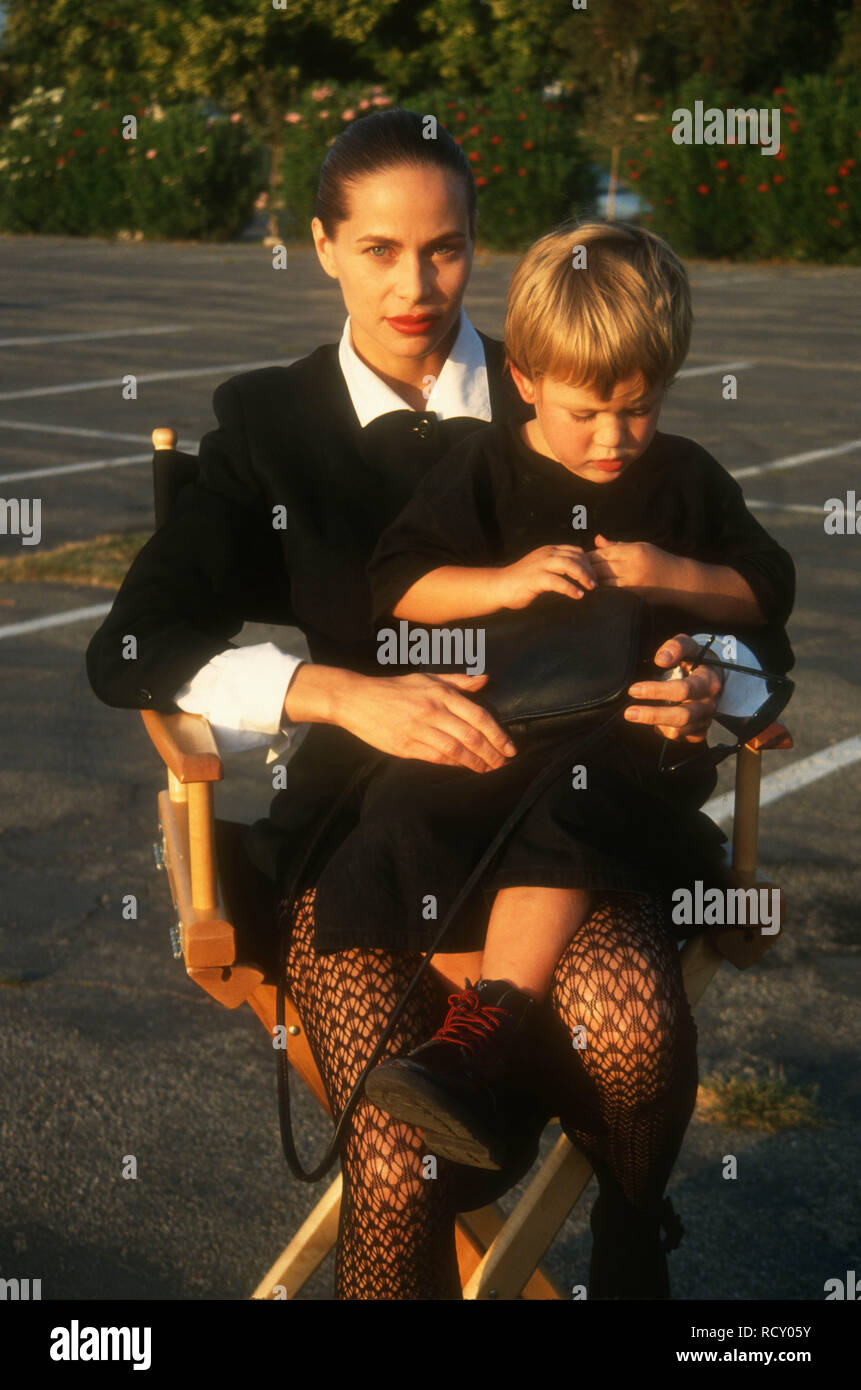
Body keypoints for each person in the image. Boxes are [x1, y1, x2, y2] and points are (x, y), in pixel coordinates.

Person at [85, 110, 757, 1300]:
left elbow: (717, 606)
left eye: (444, 249)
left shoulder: (569, 383)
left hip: (573, 813)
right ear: (322, 248)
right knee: (399, 1156)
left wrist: (705, 678)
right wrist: (337, 693)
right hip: (365, 825)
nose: (415, 286)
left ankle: (632, 1240)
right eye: (380, 250)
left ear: (475, 245)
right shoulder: (269, 426)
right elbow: (132, 646)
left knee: (635, 1034)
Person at [310, 222, 794, 1177]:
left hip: (628, 749)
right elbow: (399, 585)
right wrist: (503, 582)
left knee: (568, 803)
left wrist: (669, 573)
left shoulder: (686, 479)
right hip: (503, 727)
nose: (613, 439)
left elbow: (765, 591)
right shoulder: (483, 469)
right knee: (401, 808)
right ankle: (486, 1063)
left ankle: (483, 1041)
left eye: (639, 409)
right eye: (585, 412)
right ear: (524, 379)